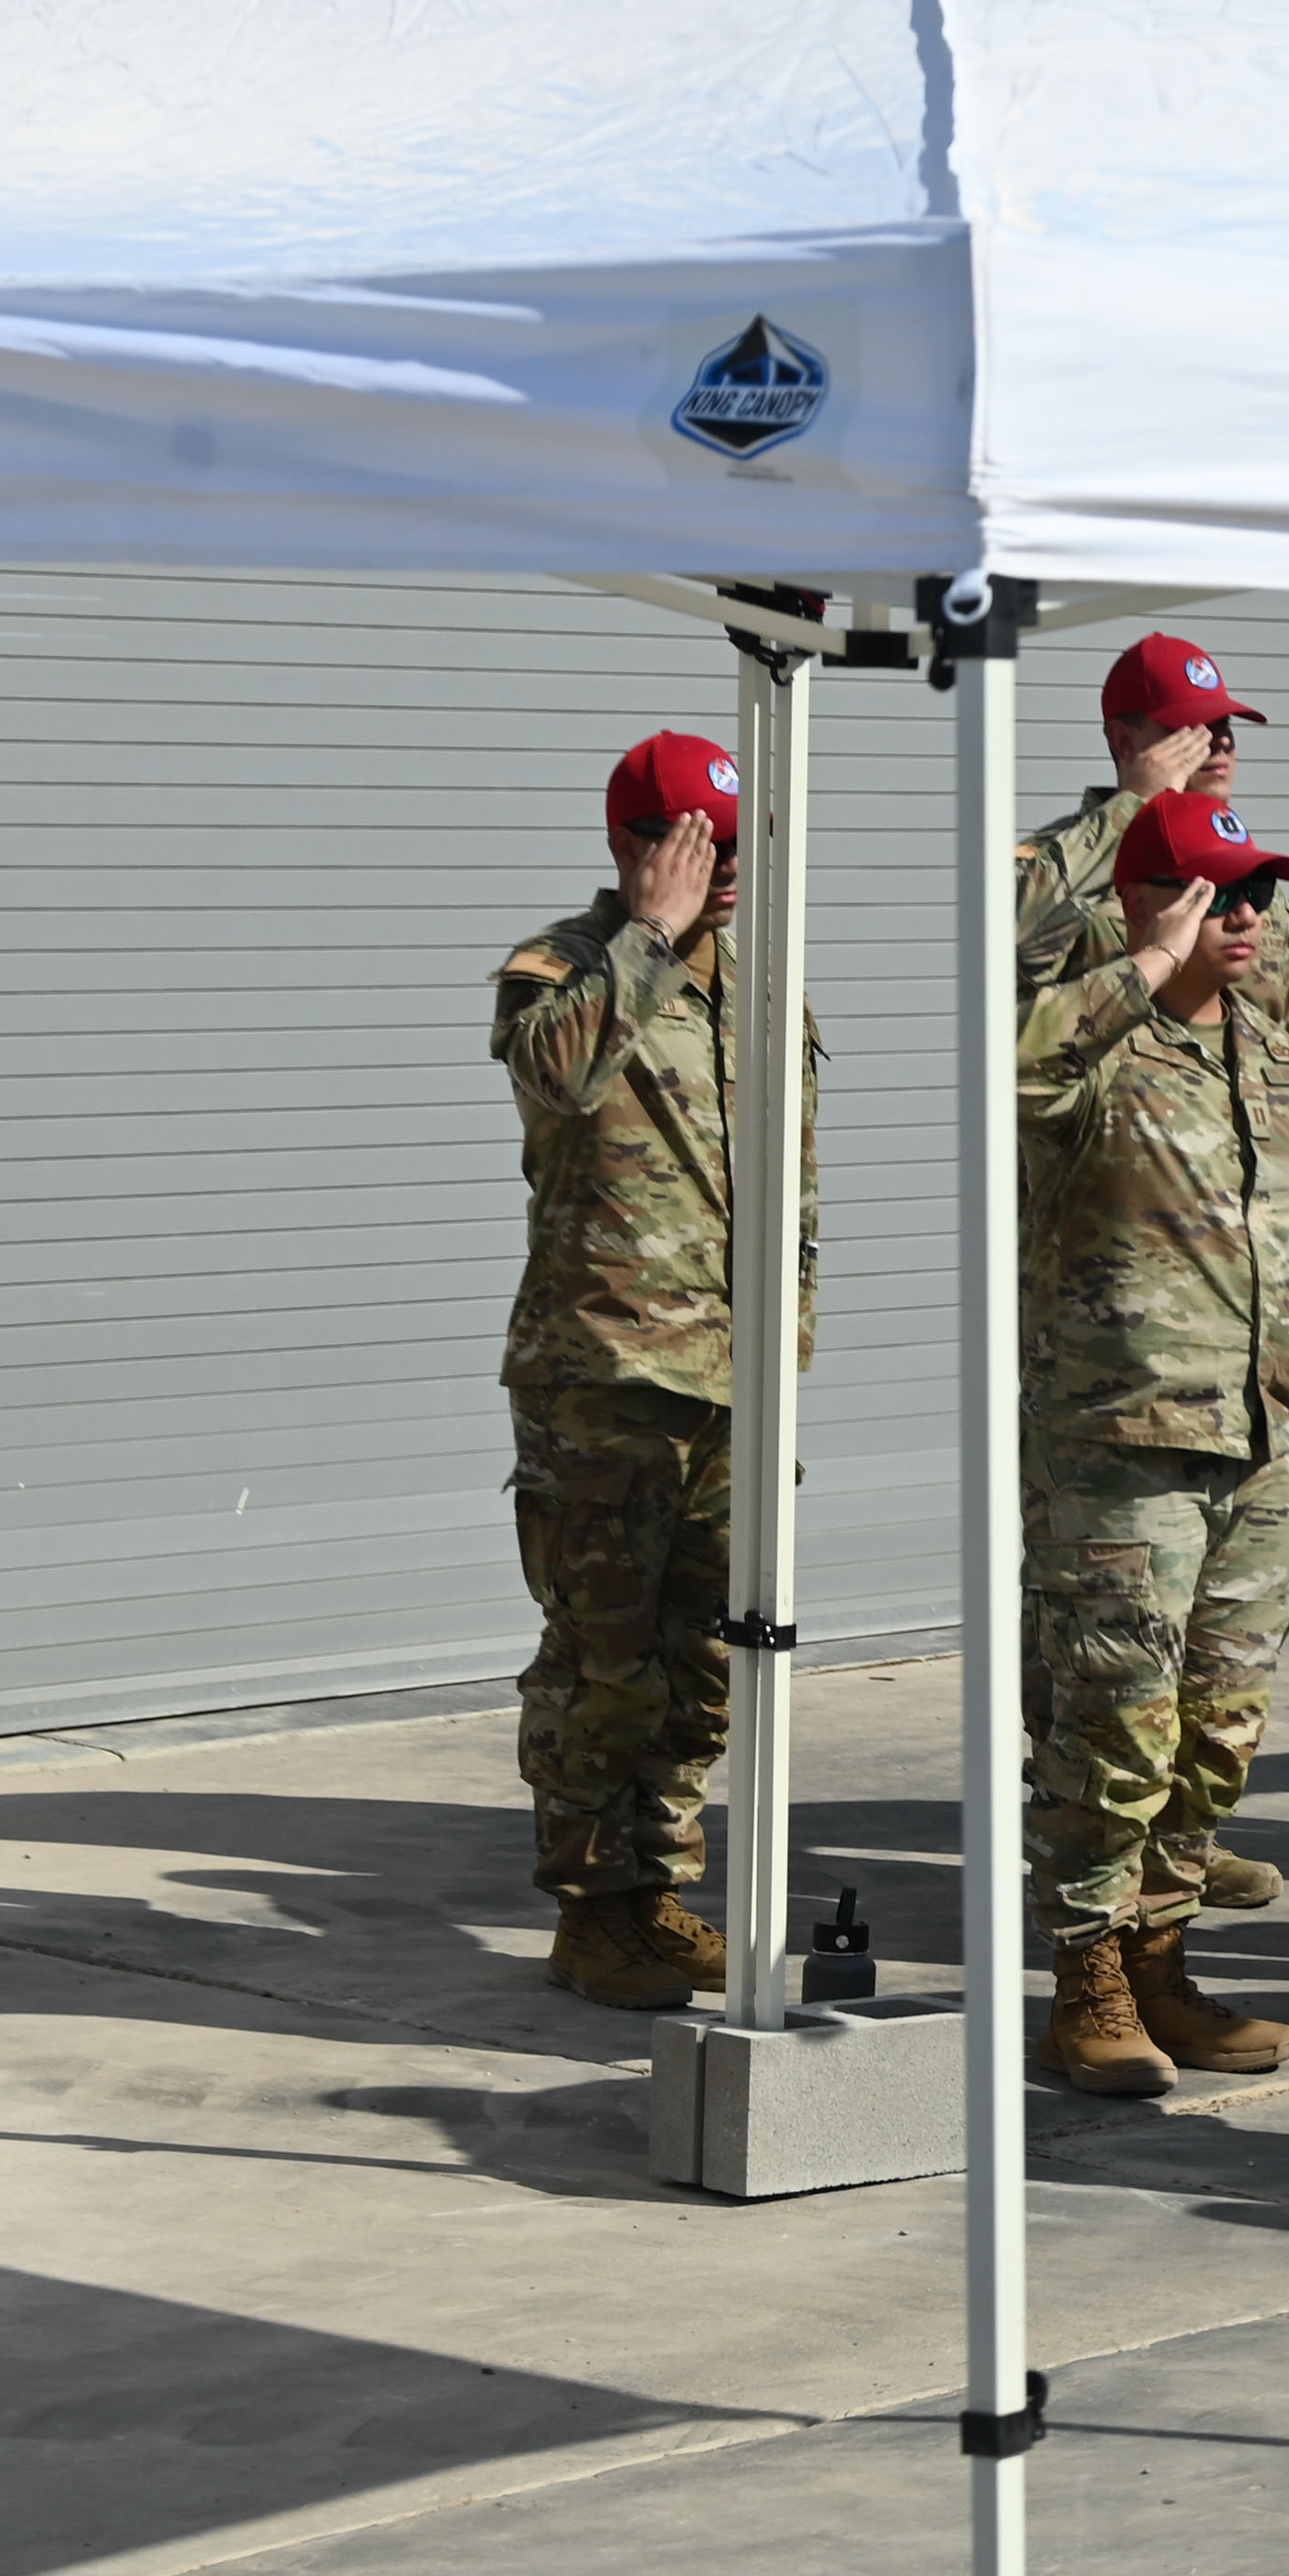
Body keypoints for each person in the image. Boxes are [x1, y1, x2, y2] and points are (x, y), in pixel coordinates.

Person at [491, 731, 806, 2011]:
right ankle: (593, 1909)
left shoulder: (759, 980)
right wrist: (652, 934)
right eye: (694, 845)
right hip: (607, 1379)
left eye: (733, 846)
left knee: (705, 1659)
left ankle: (656, 1891)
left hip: (736, 1381)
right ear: (633, 847)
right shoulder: (560, 968)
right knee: (602, 1660)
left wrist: (788, 1343)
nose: (721, 870)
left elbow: (792, 1184)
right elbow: (557, 1077)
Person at [1019, 791, 1289, 2100]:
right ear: (1152, 899)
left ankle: (1160, 1961)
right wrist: (1137, 963)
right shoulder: (1094, 1048)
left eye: (1257, 892)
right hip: (1122, 1443)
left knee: (1220, 1728)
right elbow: (1009, 1069)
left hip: (1251, 1439)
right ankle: (1084, 1978)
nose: (1248, 915)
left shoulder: (1272, 1049)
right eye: (1219, 891)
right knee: (1116, 1721)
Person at [1021, 631, 1289, 1037]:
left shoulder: (1250, 872)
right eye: (1192, 727)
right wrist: (1133, 804)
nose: (1221, 741)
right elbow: (1014, 951)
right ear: (1124, 741)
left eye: (1224, 724)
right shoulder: (1057, 862)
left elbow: (1280, 1028)